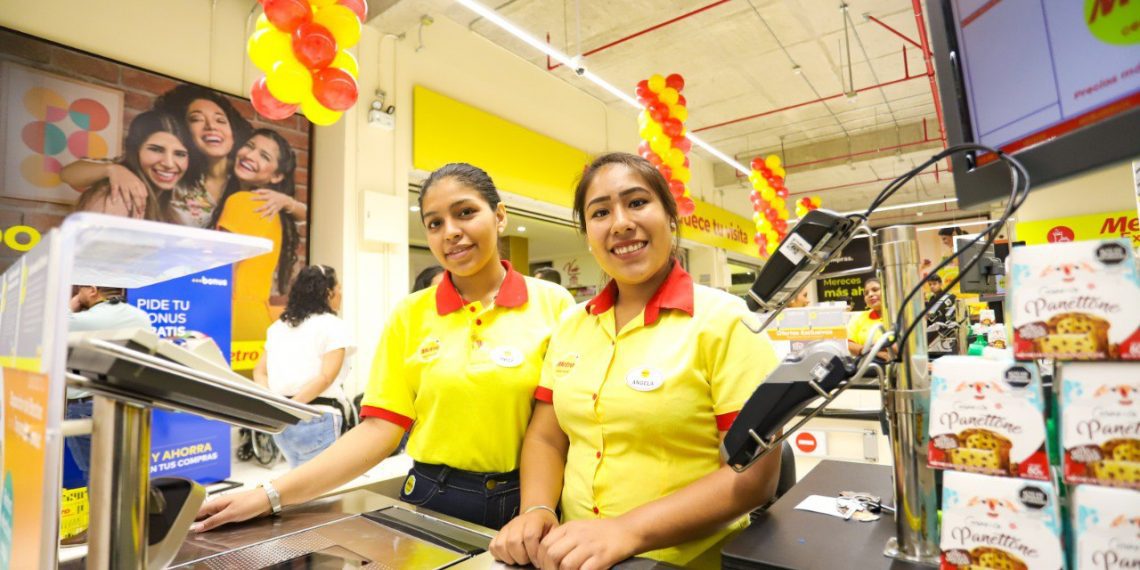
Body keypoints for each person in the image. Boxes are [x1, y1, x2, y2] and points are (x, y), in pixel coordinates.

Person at [192, 163, 575, 533]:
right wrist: (270, 494)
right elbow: (379, 429)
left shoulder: (552, 303)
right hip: (432, 496)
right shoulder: (410, 314)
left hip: (528, 500)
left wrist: (535, 510)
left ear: (500, 216)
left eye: (465, 212)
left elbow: (558, 426)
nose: (451, 232)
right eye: (435, 223)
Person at [490, 153, 781, 569]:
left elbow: (754, 476)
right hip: (576, 556)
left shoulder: (726, 322)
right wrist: (537, 509)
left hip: (685, 559)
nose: (621, 222)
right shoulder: (573, 325)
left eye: (637, 202)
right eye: (600, 212)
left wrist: (627, 529)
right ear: (588, 233)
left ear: (670, 217)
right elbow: (546, 437)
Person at [254, 265, 353, 467]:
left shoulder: (277, 328)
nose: (341, 295)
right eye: (339, 289)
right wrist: (293, 408)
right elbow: (326, 377)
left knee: (297, 482)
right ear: (328, 292)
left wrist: (278, 407)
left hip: (282, 425)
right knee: (321, 489)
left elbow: (259, 371)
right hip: (316, 417)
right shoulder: (333, 325)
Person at [212, 129, 301, 342]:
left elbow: (226, 270)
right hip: (257, 319)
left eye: (264, 156)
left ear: (277, 176)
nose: (250, 156)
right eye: (250, 146)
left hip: (232, 317)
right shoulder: (270, 208)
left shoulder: (243, 202)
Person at [65, 286, 152, 485]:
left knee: (95, 473)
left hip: (88, 406)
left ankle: (102, 516)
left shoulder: (85, 320)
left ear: (93, 289)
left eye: (81, 290)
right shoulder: (141, 316)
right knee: (126, 469)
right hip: (129, 403)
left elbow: (51, 326)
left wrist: (75, 302)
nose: (79, 294)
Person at [73, 111, 199, 222]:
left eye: (180, 154)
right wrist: (112, 169)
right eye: (156, 150)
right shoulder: (119, 197)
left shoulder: (165, 202)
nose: (169, 163)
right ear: (135, 150)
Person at [846, 277, 890, 360]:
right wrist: (875, 352)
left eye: (875, 290)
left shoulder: (898, 316)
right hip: (867, 365)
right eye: (866, 293)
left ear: (887, 291)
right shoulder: (858, 318)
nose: (870, 295)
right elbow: (848, 344)